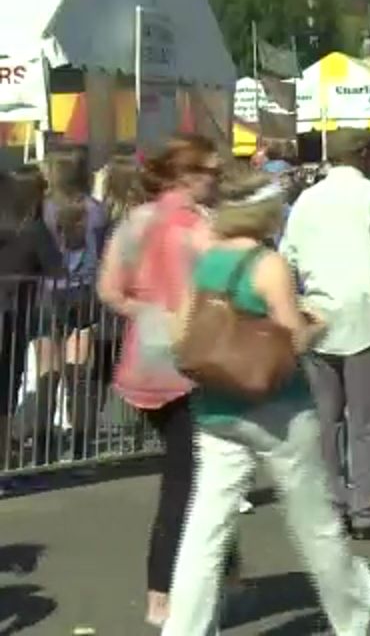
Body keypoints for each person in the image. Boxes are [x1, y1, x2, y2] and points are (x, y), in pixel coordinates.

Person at [162, 173, 370, 636]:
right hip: (278, 408)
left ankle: (184, 628)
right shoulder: (268, 265)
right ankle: (356, 616)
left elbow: (180, 332)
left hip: (217, 407)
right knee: (315, 523)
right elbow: (292, 341)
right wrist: (318, 325)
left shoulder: (205, 263)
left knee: (207, 526)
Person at [96, 134, 241, 627]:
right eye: (211, 172)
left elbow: (110, 290)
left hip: (146, 362)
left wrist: (149, 312)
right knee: (190, 480)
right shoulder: (201, 226)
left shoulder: (135, 222)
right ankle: (165, 592)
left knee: (200, 470)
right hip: (194, 362)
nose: (217, 181)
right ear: (186, 175)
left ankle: (219, 571)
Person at [281, 129, 370, 540]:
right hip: (365, 316)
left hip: (316, 314)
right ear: (364, 154)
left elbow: (288, 260)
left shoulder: (306, 200)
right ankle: (367, 509)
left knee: (325, 420)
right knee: (367, 419)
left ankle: (331, 505)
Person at [33, 148, 108, 461]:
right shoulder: (96, 209)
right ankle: (80, 446)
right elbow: (102, 252)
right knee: (78, 377)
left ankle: (42, 447)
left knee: (47, 374)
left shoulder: (42, 208)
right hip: (85, 294)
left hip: (47, 293)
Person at [0, 168, 62, 463]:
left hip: (13, 316)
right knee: (6, 387)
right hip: (13, 318)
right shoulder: (33, 230)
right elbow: (57, 269)